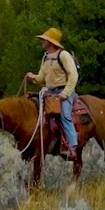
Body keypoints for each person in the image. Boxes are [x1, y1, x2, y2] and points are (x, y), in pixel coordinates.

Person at [23, 28, 79, 161]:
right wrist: (33, 77)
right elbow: (42, 78)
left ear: (51, 42)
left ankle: (72, 146)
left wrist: (65, 93)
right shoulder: (46, 57)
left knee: (65, 115)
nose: (42, 41)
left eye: (44, 39)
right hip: (49, 93)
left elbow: (73, 75)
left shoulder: (63, 55)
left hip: (64, 92)